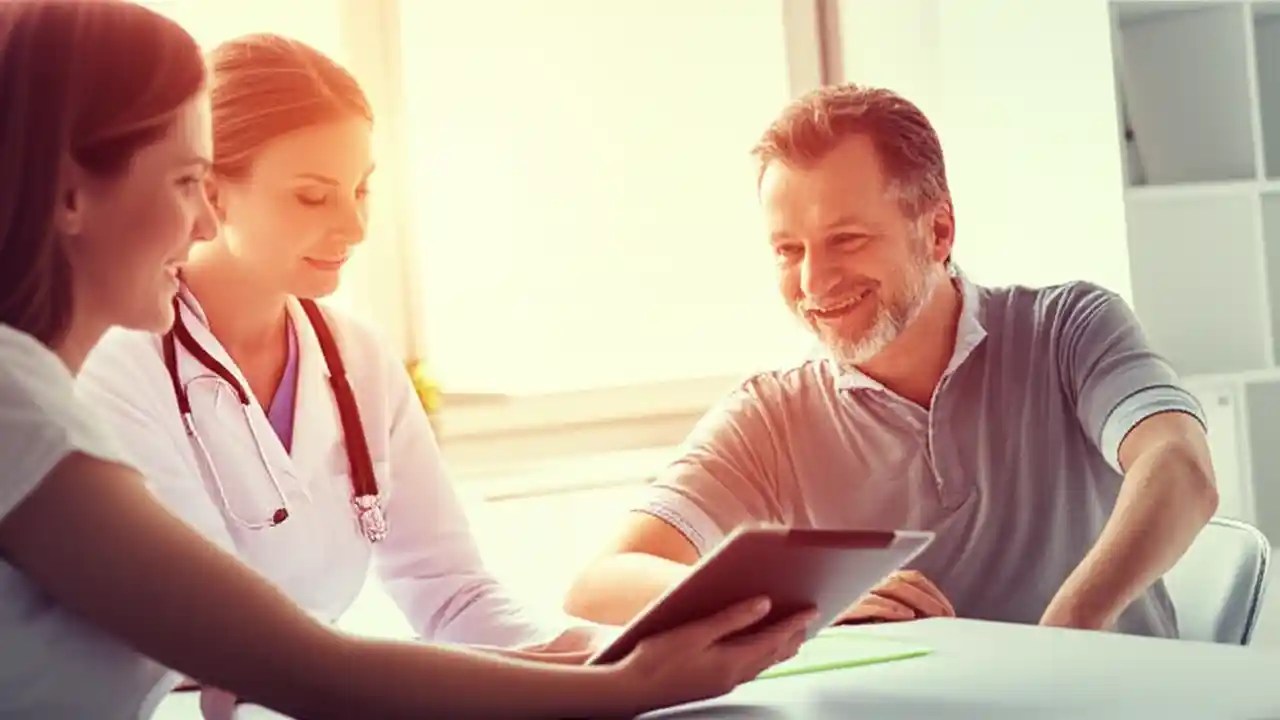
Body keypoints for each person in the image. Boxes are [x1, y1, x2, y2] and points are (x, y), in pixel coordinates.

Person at [0, 2, 816, 717]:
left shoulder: (39, 388)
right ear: (72, 195)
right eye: (186, 183)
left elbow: (433, 602)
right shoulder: (25, 397)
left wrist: (609, 654)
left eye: (361, 192)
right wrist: (625, 684)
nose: (204, 224)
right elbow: (304, 669)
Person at [564, 84, 1220, 638]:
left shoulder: (1068, 329)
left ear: (937, 232)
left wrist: (1066, 636)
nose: (814, 282)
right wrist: (802, 605)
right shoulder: (770, 416)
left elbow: (1180, 469)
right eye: (788, 250)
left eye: (845, 239)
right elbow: (604, 583)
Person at [77, 32, 594, 662]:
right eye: (313, 196)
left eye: (362, 190)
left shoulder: (359, 360)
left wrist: (583, 655)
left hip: (311, 688)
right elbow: (214, 633)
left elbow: (449, 591)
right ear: (208, 191)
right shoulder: (119, 362)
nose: (353, 227)